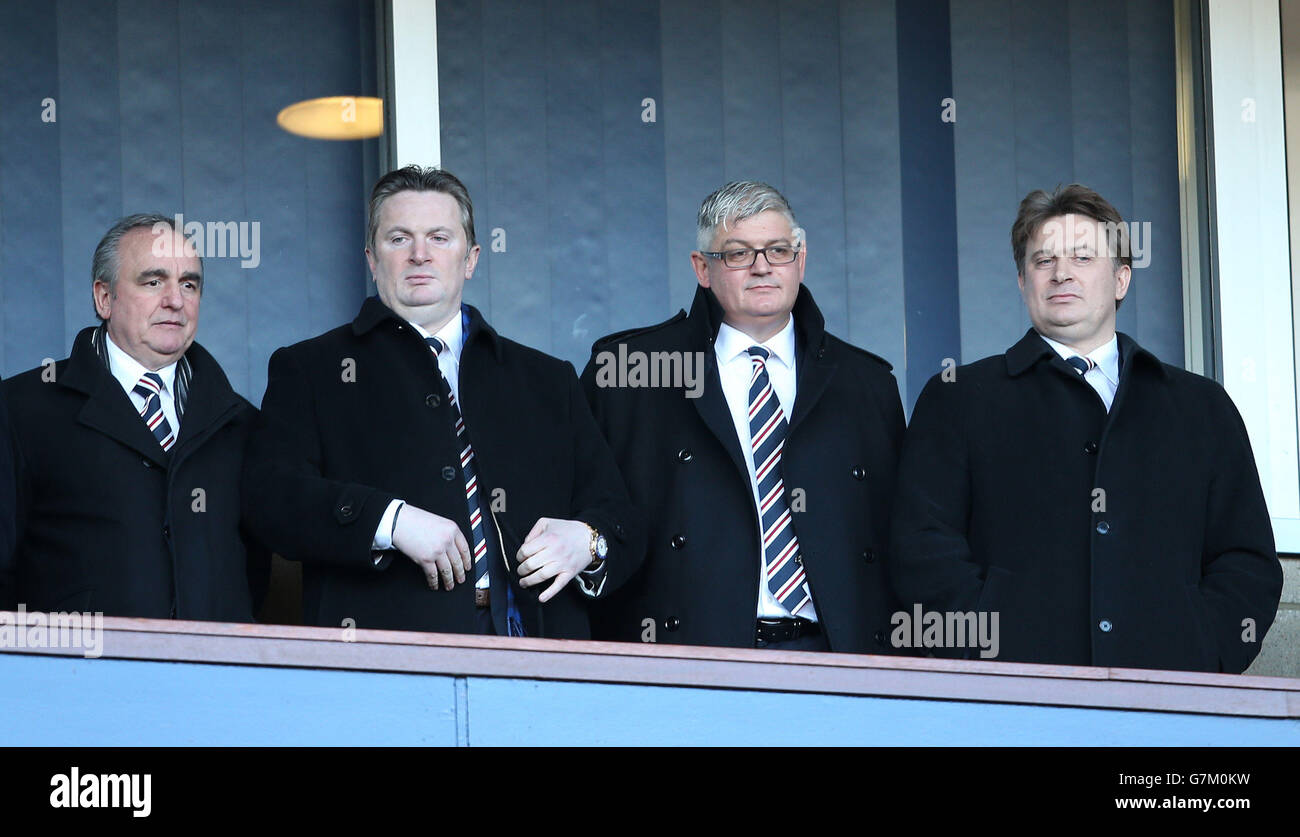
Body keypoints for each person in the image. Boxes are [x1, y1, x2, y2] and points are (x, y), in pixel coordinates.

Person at [890, 183, 1282, 672]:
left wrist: (1204, 648)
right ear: (1021, 281)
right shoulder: (959, 397)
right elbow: (923, 548)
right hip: (1009, 702)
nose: (1061, 274)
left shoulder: (1201, 407)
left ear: (1121, 279)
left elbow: (1246, 560)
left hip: (1168, 701)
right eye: (1043, 260)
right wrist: (984, 653)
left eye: (1082, 257)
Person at [241, 166, 643, 637]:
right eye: (398, 239)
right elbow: (270, 501)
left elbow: (622, 520)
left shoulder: (548, 380)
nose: (419, 254)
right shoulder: (309, 370)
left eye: (439, 237)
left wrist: (588, 542)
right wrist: (388, 520)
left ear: (470, 259)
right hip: (382, 665)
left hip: (540, 662)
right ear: (372, 260)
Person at [580, 180, 905, 652]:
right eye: (737, 254)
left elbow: (900, 534)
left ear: (801, 260)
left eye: (778, 250)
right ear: (702, 269)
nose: (762, 268)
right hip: (685, 659)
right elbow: (591, 508)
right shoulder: (629, 371)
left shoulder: (867, 384)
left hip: (835, 658)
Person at [1, 214, 265, 620]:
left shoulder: (241, 424)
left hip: (214, 675)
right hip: (78, 674)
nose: (175, 300)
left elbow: (258, 572)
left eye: (189, 284)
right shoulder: (22, 408)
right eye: (153, 281)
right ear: (104, 298)